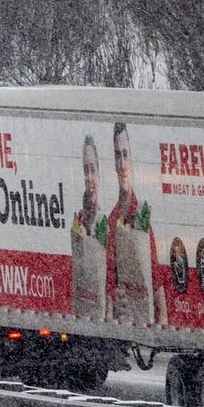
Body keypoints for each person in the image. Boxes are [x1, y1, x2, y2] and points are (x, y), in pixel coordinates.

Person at [106, 123, 165, 325]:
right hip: (122, 319)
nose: (121, 164)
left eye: (125, 155)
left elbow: (154, 270)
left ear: (132, 159)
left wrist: (163, 316)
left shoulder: (141, 213)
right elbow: (109, 279)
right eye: (117, 155)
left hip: (143, 317)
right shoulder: (112, 219)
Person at [70, 135, 109, 319]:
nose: (89, 177)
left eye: (92, 169)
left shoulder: (110, 219)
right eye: (85, 170)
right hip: (84, 311)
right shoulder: (77, 222)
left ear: (100, 173)